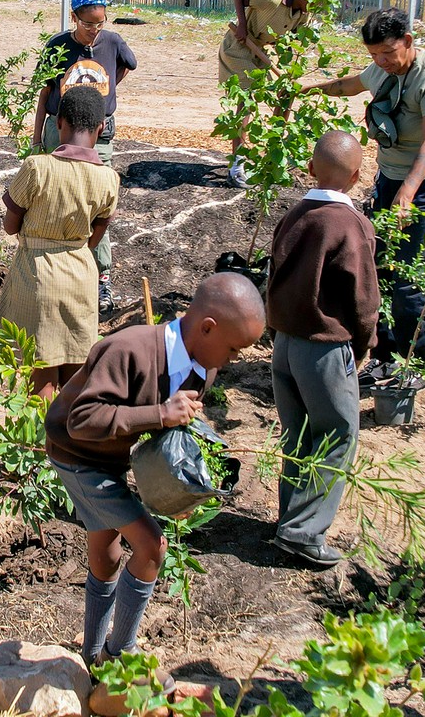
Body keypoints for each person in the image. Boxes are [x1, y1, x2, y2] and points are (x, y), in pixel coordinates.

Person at [45, 272, 266, 667]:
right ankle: (119, 655)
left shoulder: (203, 370)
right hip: (76, 455)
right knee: (151, 546)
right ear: (208, 328)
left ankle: (92, 655)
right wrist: (161, 413)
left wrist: (178, 489)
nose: (234, 360)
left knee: (107, 551)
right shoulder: (127, 350)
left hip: (111, 457)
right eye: (234, 349)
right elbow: (81, 419)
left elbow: (167, 439)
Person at [305, 7, 425, 382]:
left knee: (416, 280)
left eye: (387, 53)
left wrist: (409, 191)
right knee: (382, 270)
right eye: (374, 55)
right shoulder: (383, 70)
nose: (381, 62)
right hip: (390, 181)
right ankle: (385, 354)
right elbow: (350, 85)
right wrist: (308, 89)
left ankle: (416, 362)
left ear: (407, 41)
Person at [266, 130, 379, 568]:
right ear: (356, 177)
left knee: (297, 437)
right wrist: (365, 343)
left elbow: (274, 277)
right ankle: (303, 532)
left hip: (285, 345)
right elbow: (363, 299)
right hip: (324, 349)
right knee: (337, 434)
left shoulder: (294, 215)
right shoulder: (350, 225)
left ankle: (289, 521)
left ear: (310, 168)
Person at [0, 86, 120, 399]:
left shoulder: (37, 167)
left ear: (58, 122)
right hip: (81, 273)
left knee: (40, 372)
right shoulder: (109, 178)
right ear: (102, 128)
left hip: (37, 273)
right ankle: (67, 443)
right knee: (75, 369)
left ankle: (40, 444)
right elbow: (97, 234)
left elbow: (10, 226)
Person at [30, 0, 136, 313]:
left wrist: (106, 95)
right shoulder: (57, 46)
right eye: (88, 24)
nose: (94, 31)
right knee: (52, 197)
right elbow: (46, 92)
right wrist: (36, 140)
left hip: (99, 133)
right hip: (58, 130)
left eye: (100, 23)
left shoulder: (113, 42)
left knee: (97, 204)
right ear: (74, 18)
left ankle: (99, 278)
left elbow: (126, 67)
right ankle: (47, 269)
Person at [218, 0, 330, 188]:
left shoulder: (303, 15)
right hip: (238, 48)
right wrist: (242, 25)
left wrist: (290, 72)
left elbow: (293, 45)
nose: (317, 6)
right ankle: (237, 167)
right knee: (247, 100)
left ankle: (271, 158)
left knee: (281, 94)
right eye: (316, 0)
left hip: (259, 53)